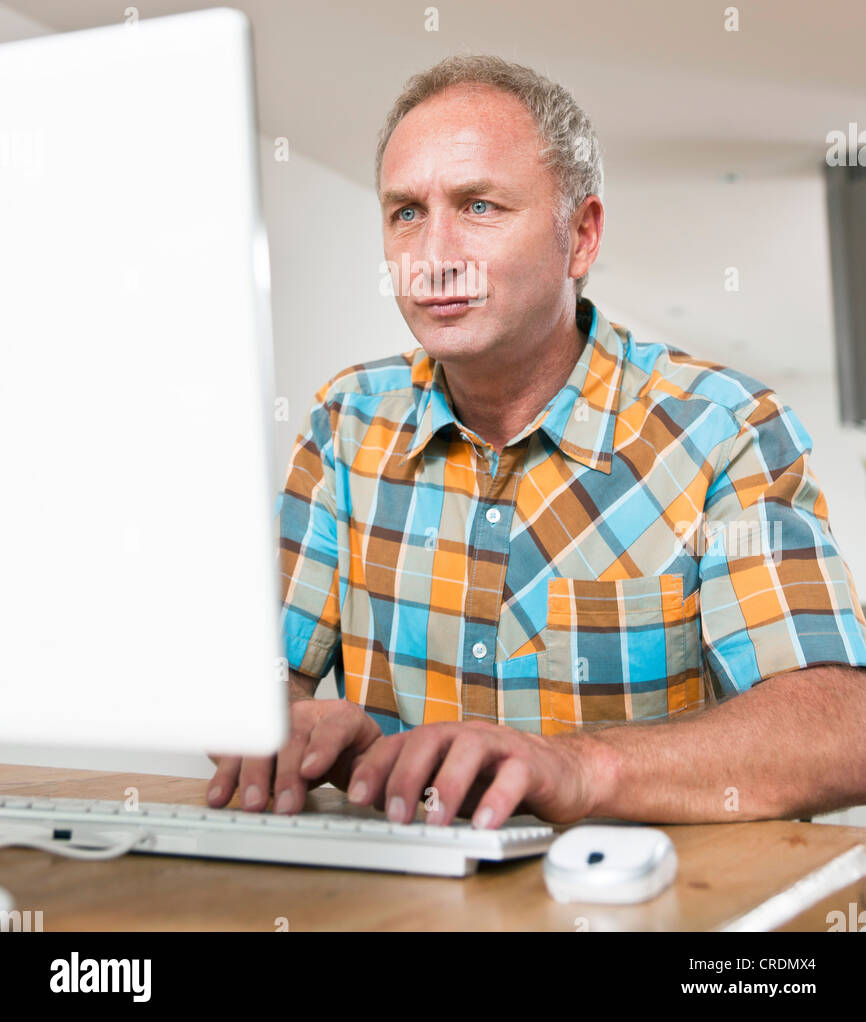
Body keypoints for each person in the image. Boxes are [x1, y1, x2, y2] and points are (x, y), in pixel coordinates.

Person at [208, 54, 866, 828]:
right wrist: (299, 734)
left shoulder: (722, 428)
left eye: (480, 206)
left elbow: (839, 729)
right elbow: (257, 684)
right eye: (406, 213)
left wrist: (576, 766)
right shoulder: (344, 422)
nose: (434, 257)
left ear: (579, 237)